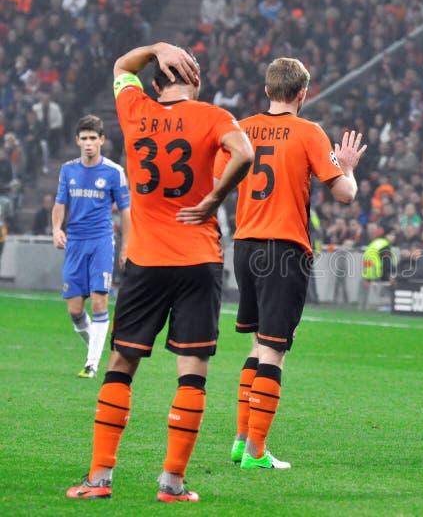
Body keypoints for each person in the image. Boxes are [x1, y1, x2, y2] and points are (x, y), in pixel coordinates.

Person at [66, 42, 254, 502]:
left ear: (155, 81)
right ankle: (171, 483)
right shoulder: (212, 117)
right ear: (194, 78)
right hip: (198, 258)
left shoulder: (134, 107)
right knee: (192, 373)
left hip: (147, 261)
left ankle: (100, 477)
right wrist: (213, 200)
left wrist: (154, 47)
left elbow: (119, 65)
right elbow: (245, 154)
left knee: (121, 364)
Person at [213, 57, 366, 470]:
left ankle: (242, 440)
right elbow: (345, 194)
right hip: (284, 249)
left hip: (245, 246)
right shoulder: (309, 132)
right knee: (275, 350)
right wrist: (348, 168)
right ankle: (257, 452)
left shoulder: (239, 128)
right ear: (304, 94)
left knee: (258, 343)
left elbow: (218, 184)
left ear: (267, 90)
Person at [52, 116, 130, 379]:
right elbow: (60, 203)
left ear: (102, 140)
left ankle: (92, 363)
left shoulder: (113, 172)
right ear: (77, 141)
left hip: (100, 242)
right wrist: (56, 228)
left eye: (92, 138)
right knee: (75, 310)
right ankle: (94, 351)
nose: (88, 143)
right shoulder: (68, 170)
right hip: (74, 242)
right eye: (83, 138)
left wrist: (125, 247)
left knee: (99, 303)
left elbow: (126, 212)